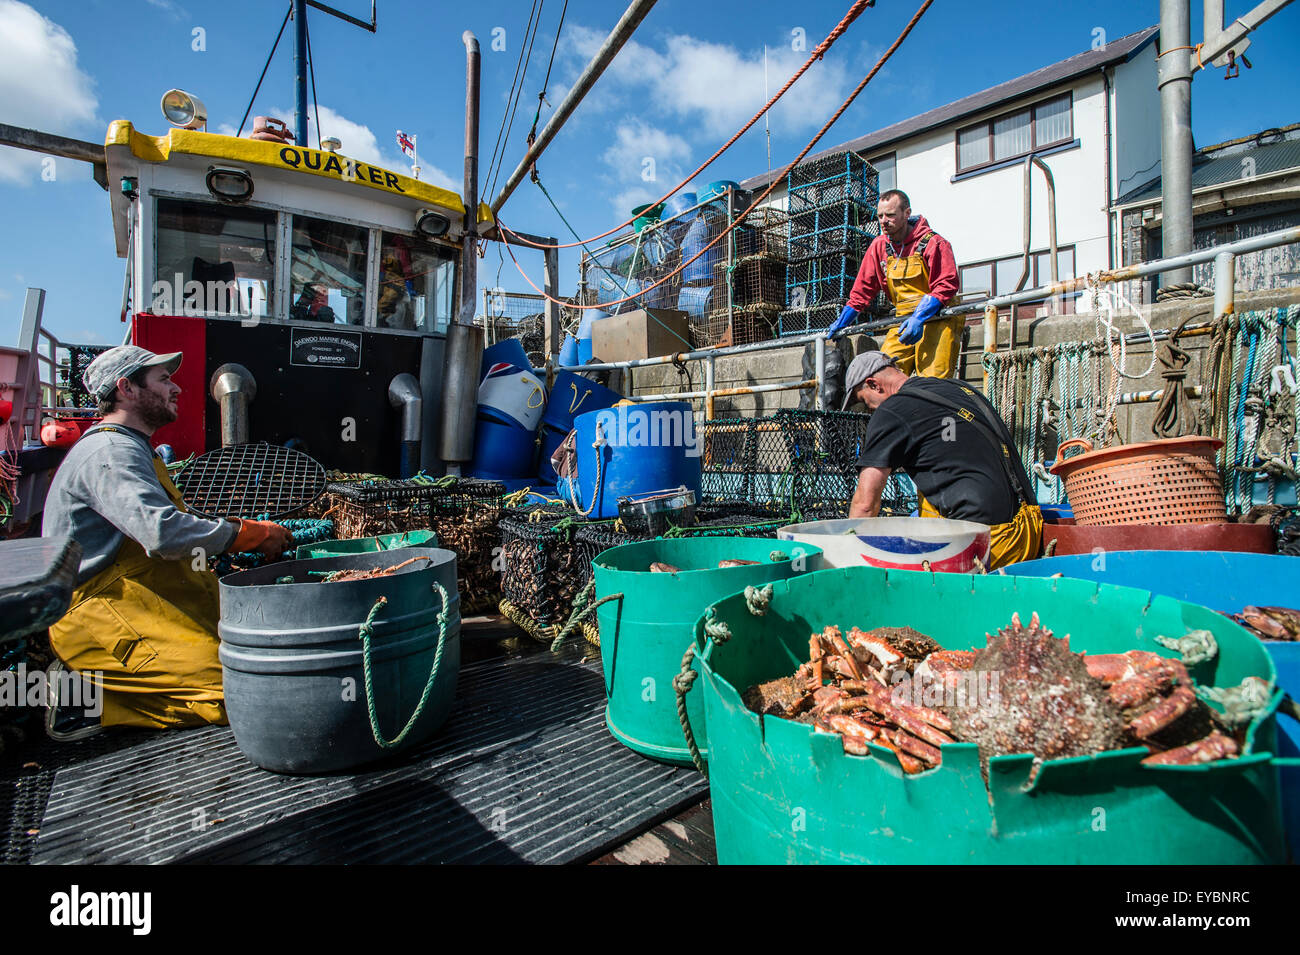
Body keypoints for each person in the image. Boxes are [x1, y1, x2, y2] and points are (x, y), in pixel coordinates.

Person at [41, 345, 293, 730]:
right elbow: (161, 533)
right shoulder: (110, 452)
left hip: (146, 596)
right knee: (242, 695)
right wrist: (249, 534)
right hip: (106, 613)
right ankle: (86, 700)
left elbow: (173, 525)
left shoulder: (135, 448)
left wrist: (235, 532)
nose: (176, 388)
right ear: (126, 388)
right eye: (163, 380)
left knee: (264, 656)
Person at [843, 350, 1042, 569]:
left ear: (874, 385)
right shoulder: (958, 388)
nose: (870, 410)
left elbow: (865, 505)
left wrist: (849, 557)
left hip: (983, 543)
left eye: (864, 402)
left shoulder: (892, 410)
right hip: (1027, 529)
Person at [827, 189, 963, 379]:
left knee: (933, 381)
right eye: (880, 216)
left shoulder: (934, 243)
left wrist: (919, 317)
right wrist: (842, 322)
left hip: (938, 318)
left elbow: (946, 285)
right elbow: (861, 292)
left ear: (906, 214)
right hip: (902, 319)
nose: (884, 221)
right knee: (883, 373)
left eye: (890, 215)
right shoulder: (879, 246)